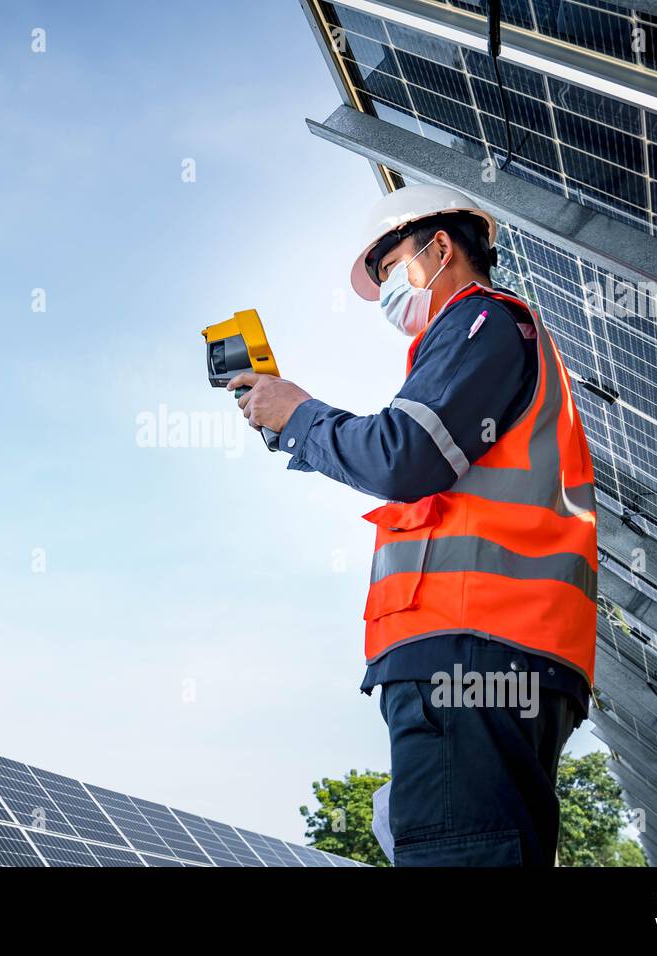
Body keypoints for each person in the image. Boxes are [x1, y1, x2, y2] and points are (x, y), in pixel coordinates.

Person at [228, 185, 598, 867]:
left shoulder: (480, 321)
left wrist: (299, 415)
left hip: (473, 647)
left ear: (441, 247)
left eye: (389, 265)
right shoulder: (500, 339)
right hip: (503, 653)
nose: (385, 289)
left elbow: (404, 457)